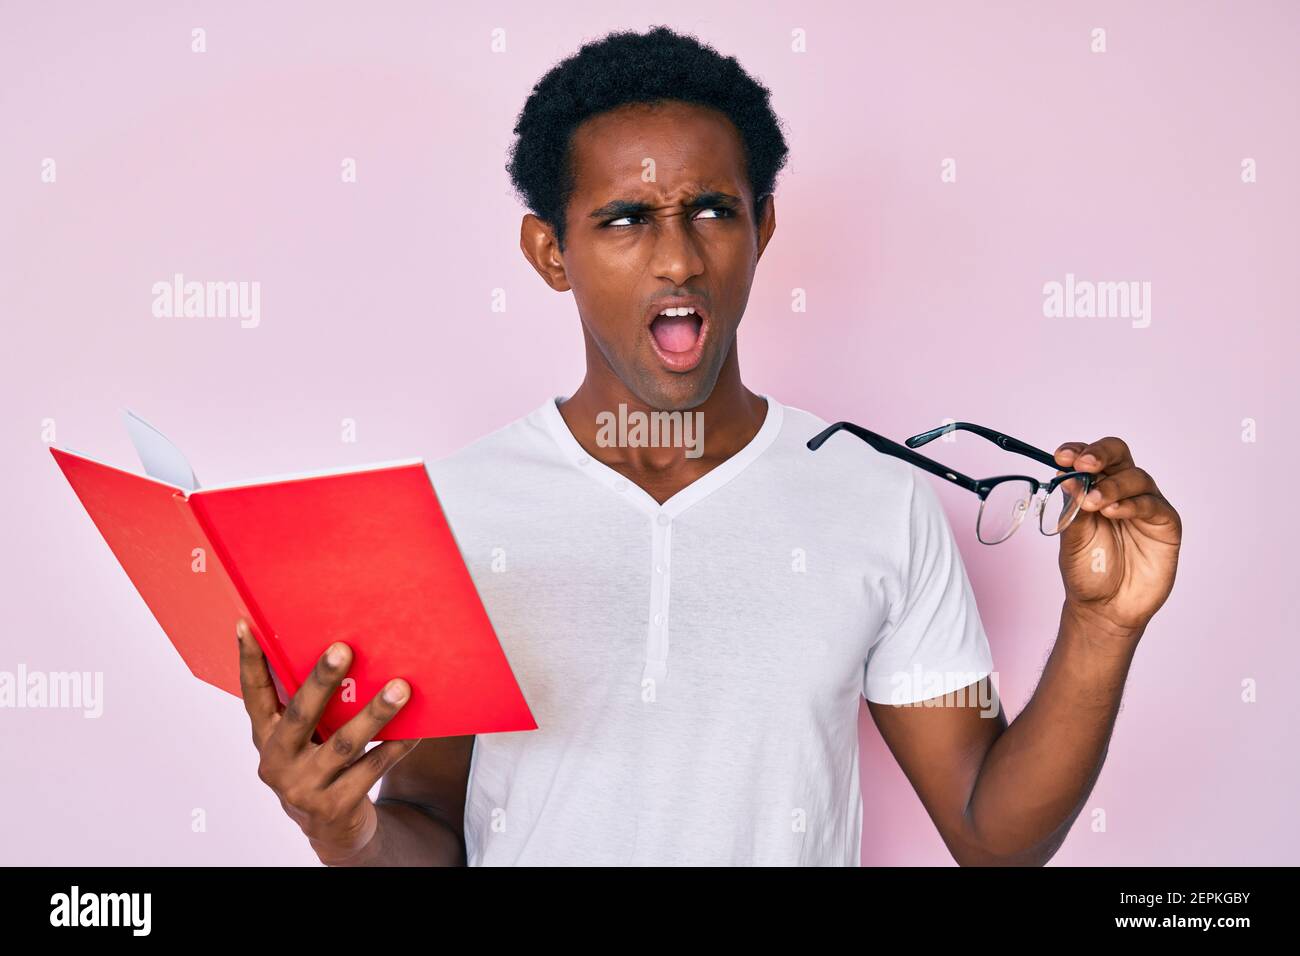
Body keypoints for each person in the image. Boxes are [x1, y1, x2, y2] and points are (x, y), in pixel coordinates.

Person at [236, 25, 1182, 866]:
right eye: (625, 219)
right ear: (550, 252)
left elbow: (992, 832)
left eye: (714, 210)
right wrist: (342, 830)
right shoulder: (452, 513)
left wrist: (1103, 629)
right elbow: (433, 834)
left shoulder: (877, 499)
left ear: (763, 228)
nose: (680, 256)